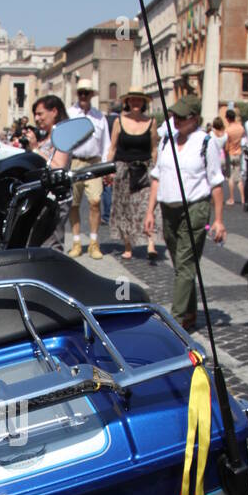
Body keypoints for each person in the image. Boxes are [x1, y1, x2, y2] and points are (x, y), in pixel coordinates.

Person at [144, 94, 226, 331]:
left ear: (195, 118)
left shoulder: (206, 143)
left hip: (194, 208)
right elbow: (157, 178)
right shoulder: (166, 141)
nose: (176, 120)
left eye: (181, 116)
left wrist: (219, 220)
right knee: (179, 263)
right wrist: (150, 212)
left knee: (186, 264)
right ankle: (189, 312)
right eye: (174, 115)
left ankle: (176, 321)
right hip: (168, 208)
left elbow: (216, 183)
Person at [106, 88, 160, 262]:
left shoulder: (151, 122)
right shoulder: (118, 122)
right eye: (132, 100)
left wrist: (156, 169)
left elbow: (154, 148)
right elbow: (112, 148)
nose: (136, 103)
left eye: (139, 100)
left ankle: (150, 242)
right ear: (127, 102)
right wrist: (108, 169)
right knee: (124, 209)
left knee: (147, 206)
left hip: (144, 170)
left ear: (144, 103)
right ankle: (128, 245)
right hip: (123, 170)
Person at [66, 81, 111, 258]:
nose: (83, 96)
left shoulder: (100, 117)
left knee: (95, 201)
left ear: (92, 95)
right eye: (81, 93)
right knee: (74, 204)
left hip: (94, 163)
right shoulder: (69, 114)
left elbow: (106, 144)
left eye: (87, 93)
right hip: (74, 162)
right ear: (78, 94)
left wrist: (106, 167)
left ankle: (93, 242)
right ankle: (76, 242)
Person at [224, 108, 245, 205]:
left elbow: (227, 145)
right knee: (239, 176)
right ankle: (242, 198)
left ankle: (231, 198)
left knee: (231, 177)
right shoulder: (240, 128)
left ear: (228, 118)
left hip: (231, 153)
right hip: (239, 152)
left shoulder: (228, 130)